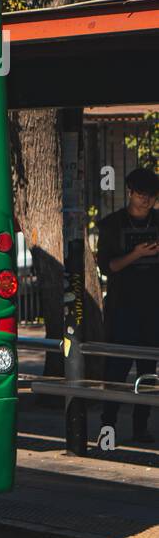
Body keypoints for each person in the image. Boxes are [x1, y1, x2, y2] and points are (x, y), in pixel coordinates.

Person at [95, 167, 159, 444]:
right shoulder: (112, 224)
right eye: (141, 195)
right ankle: (107, 426)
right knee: (116, 370)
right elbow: (108, 267)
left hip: (152, 308)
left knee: (147, 371)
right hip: (122, 308)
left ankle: (140, 426)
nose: (145, 201)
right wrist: (136, 254)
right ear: (130, 192)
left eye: (151, 196)